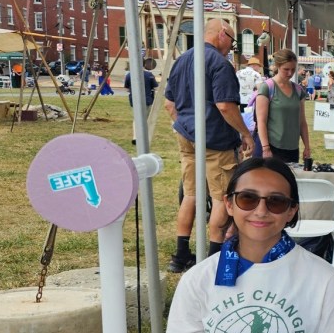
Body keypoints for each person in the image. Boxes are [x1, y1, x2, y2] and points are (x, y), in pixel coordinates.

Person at [164, 158, 334, 333]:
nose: (261, 211)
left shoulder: (324, 279)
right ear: (229, 204)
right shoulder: (197, 280)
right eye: (248, 198)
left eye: (276, 201)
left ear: (291, 211)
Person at [164, 19, 254, 272]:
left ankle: (180, 255)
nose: (231, 47)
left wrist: (186, 126)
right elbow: (225, 106)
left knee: (191, 194)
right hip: (216, 139)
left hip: (187, 136)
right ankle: (214, 259)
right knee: (221, 198)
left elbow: (169, 104)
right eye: (232, 41)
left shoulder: (182, 60)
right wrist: (245, 133)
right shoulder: (219, 64)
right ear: (222, 34)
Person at [255, 48, 313, 165]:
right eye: (286, 69)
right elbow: (261, 121)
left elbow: (302, 122)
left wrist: (307, 147)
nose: (290, 73)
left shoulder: (298, 90)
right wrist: (265, 148)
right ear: (277, 66)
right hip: (272, 147)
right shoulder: (267, 88)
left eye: (293, 69)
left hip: (292, 149)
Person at [124, 57, 159, 145]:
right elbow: (155, 87)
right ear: (144, 64)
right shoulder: (149, 75)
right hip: (147, 100)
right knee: (146, 119)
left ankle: (135, 137)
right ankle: (144, 137)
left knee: (136, 119)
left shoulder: (129, 75)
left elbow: (127, 89)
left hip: (134, 100)